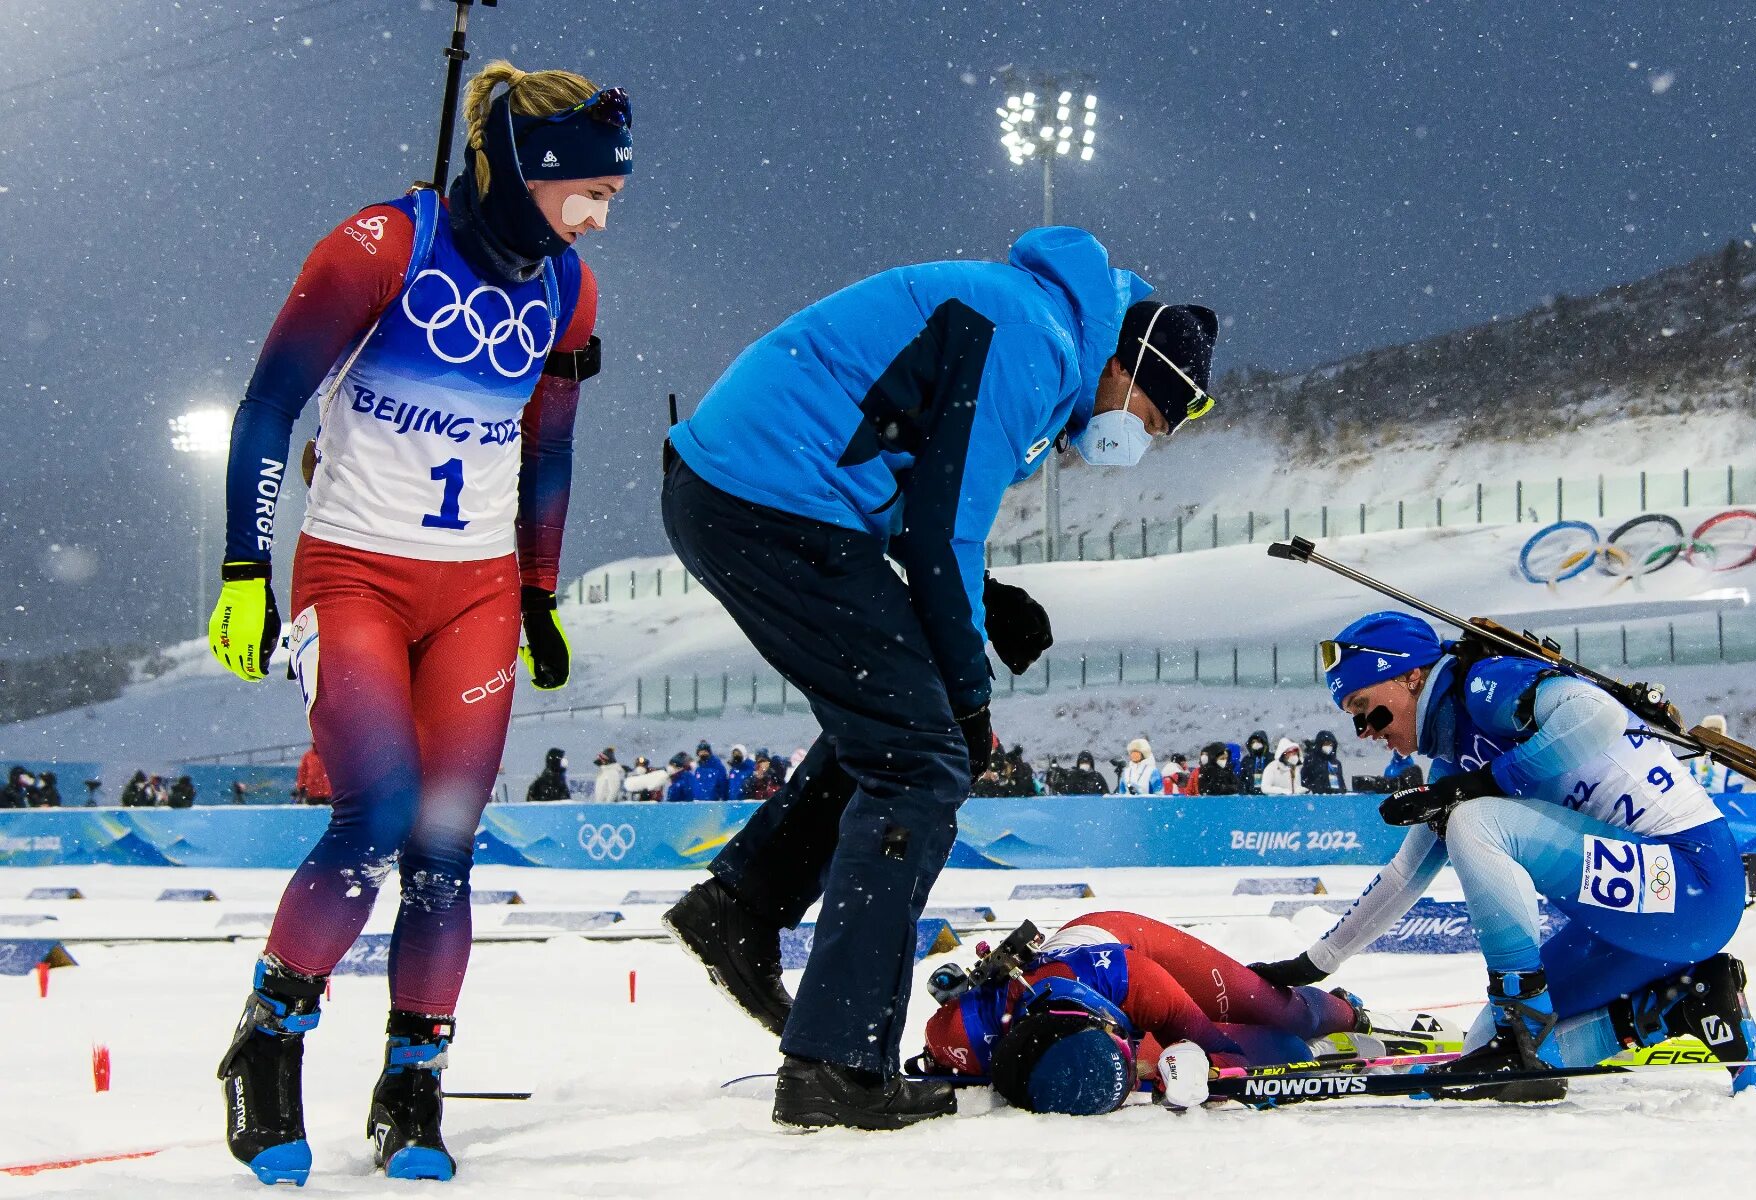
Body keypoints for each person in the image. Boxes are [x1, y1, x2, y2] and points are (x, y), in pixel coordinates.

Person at [660, 225, 1217, 1130]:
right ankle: (835, 1062)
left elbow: (904, 478)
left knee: (898, 730)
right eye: (1150, 418)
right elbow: (937, 530)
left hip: (763, 491)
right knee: (921, 757)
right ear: (1126, 365)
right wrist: (970, 697)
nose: (1138, 440)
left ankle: (743, 907)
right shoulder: (1036, 342)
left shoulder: (1035, 327)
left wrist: (983, 600)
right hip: (769, 501)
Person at [205, 59, 629, 1184]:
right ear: (524, 169)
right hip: (355, 575)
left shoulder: (568, 289)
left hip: (475, 591)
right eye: (588, 192)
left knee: (444, 845)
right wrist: (246, 563)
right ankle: (268, 1041)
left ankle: (412, 1087)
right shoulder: (382, 246)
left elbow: (550, 445)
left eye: (612, 198)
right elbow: (268, 404)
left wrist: (538, 590)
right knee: (378, 812)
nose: (598, 218)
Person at [1250, 612, 1756, 1102]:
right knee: (1482, 1049)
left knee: (1473, 819)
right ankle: (1685, 1004)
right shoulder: (1454, 765)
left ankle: (1519, 1028)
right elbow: (1404, 875)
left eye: (1364, 706)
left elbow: (1600, 715)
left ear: (1410, 677)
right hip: (1635, 919)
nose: (1365, 729)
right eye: (1354, 718)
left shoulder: (1485, 686)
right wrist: (1314, 963)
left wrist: (1487, 782)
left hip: (1692, 879)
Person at [913, 911, 1365, 1113]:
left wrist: (1213, 1064)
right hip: (1081, 1016)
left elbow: (1221, 1047)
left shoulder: (1134, 983)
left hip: (1126, 953)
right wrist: (1186, 1070)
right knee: (1277, 1052)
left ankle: (1347, 1013)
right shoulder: (960, 1041)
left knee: (1275, 1014)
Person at [1684, 715, 1738, 793]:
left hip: (1720, 798)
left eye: (1716, 730)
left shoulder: (1729, 757)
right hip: (1700, 798)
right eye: (1709, 730)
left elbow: (1735, 785)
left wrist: (1724, 797)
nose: (1712, 733)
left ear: (1722, 732)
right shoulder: (1697, 758)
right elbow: (1691, 781)